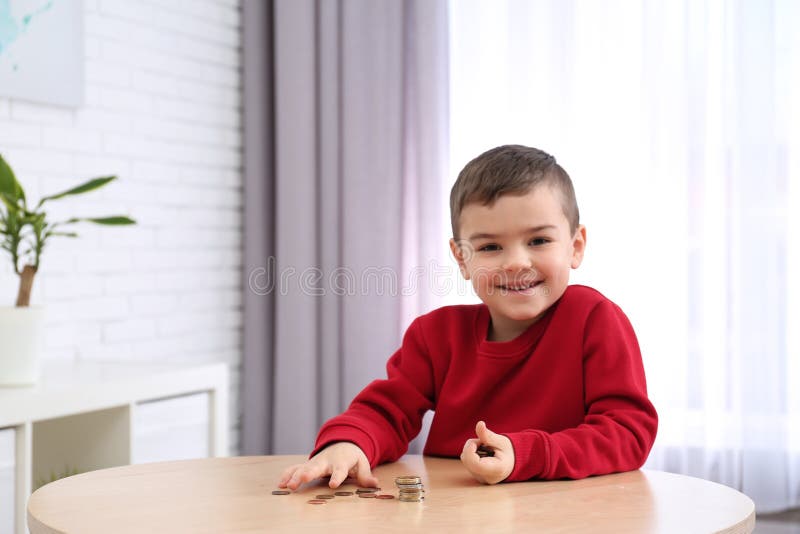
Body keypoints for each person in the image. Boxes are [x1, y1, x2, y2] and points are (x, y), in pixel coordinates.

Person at [278, 144, 658, 490]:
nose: (516, 262)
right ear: (462, 259)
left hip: (569, 516)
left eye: (538, 241)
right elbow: (385, 411)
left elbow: (627, 432)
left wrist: (526, 454)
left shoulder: (594, 320)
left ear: (575, 247)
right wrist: (350, 442)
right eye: (491, 246)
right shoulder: (436, 335)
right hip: (456, 515)